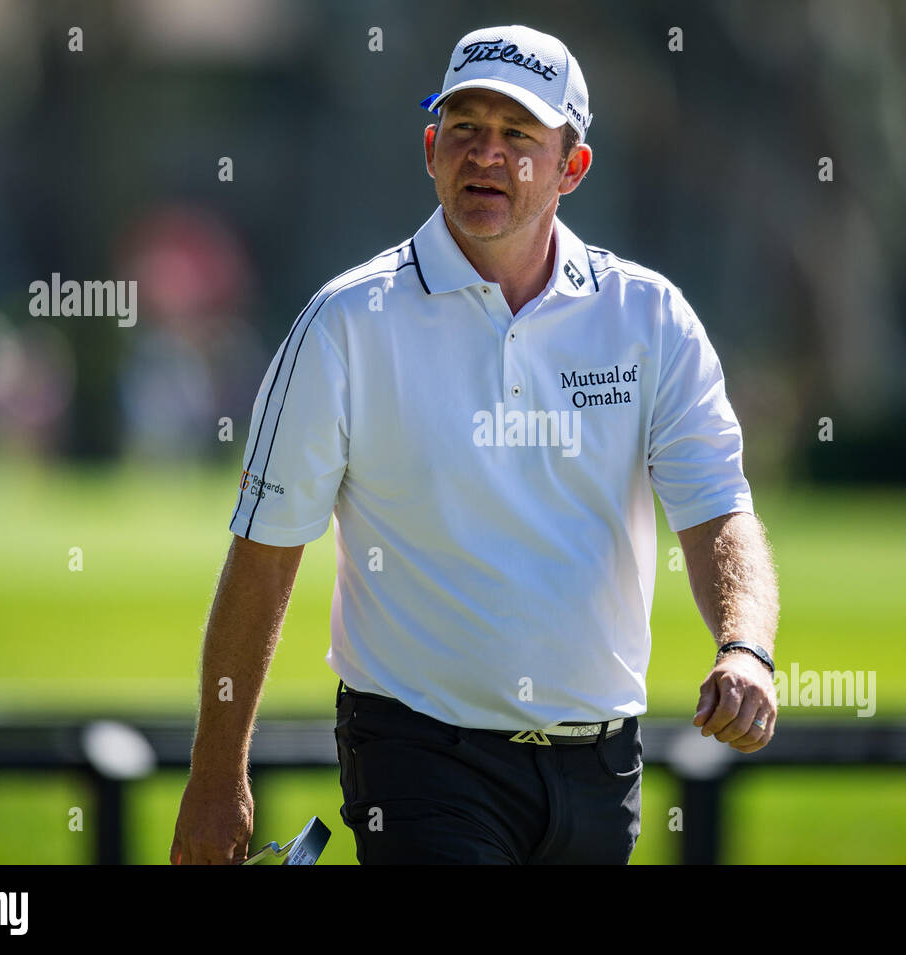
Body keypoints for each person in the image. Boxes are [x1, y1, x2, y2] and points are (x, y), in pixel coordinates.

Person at [171, 24, 779, 866]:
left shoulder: (651, 318)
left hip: (603, 766)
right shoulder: (346, 324)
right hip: (420, 758)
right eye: (465, 129)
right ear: (431, 148)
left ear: (571, 166)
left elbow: (718, 509)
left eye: (519, 136)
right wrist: (216, 775)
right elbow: (264, 554)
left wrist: (744, 645)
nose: (486, 156)